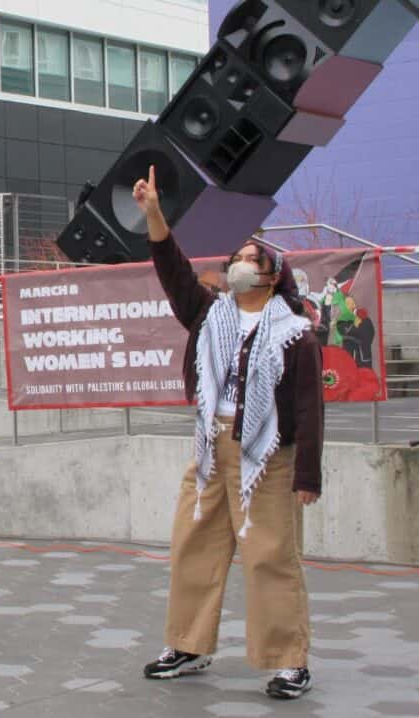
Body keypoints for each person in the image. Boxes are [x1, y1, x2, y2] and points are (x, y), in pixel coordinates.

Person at [133, 166, 323, 700]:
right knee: (193, 542)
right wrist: (155, 216)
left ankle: (289, 661)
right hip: (212, 445)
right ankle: (188, 644)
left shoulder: (295, 333)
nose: (239, 264)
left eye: (249, 259)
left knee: (269, 554)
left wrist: (308, 473)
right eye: (236, 257)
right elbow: (173, 273)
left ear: (270, 274)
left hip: (267, 453)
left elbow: (310, 408)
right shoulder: (211, 315)